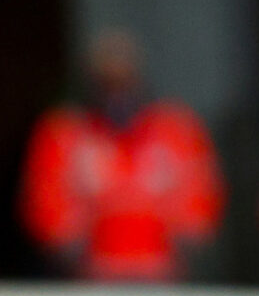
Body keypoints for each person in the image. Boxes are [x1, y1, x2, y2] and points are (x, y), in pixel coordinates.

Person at [18, 28, 223, 281]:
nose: (118, 96)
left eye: (125, 82)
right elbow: (48, 209)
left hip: (162, 272)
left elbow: (199, 206)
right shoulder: (64, 134)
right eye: (108, 84)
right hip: (91, 275)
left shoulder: (175, 130)